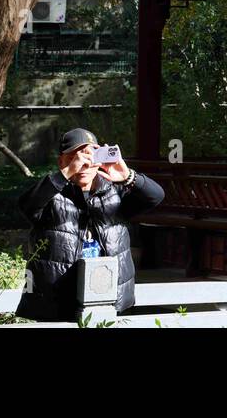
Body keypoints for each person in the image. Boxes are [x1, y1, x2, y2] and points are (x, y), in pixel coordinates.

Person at [16, 128, 164, 322]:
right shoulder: (50, 195)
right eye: (75, 158)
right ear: (61, 162)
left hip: (110, 298)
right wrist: (68, 173)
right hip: (58, 302)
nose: (84, 165)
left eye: (90, 157)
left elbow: (156, 196)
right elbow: (26, 205)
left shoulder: (116, 194)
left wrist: (127, 176)